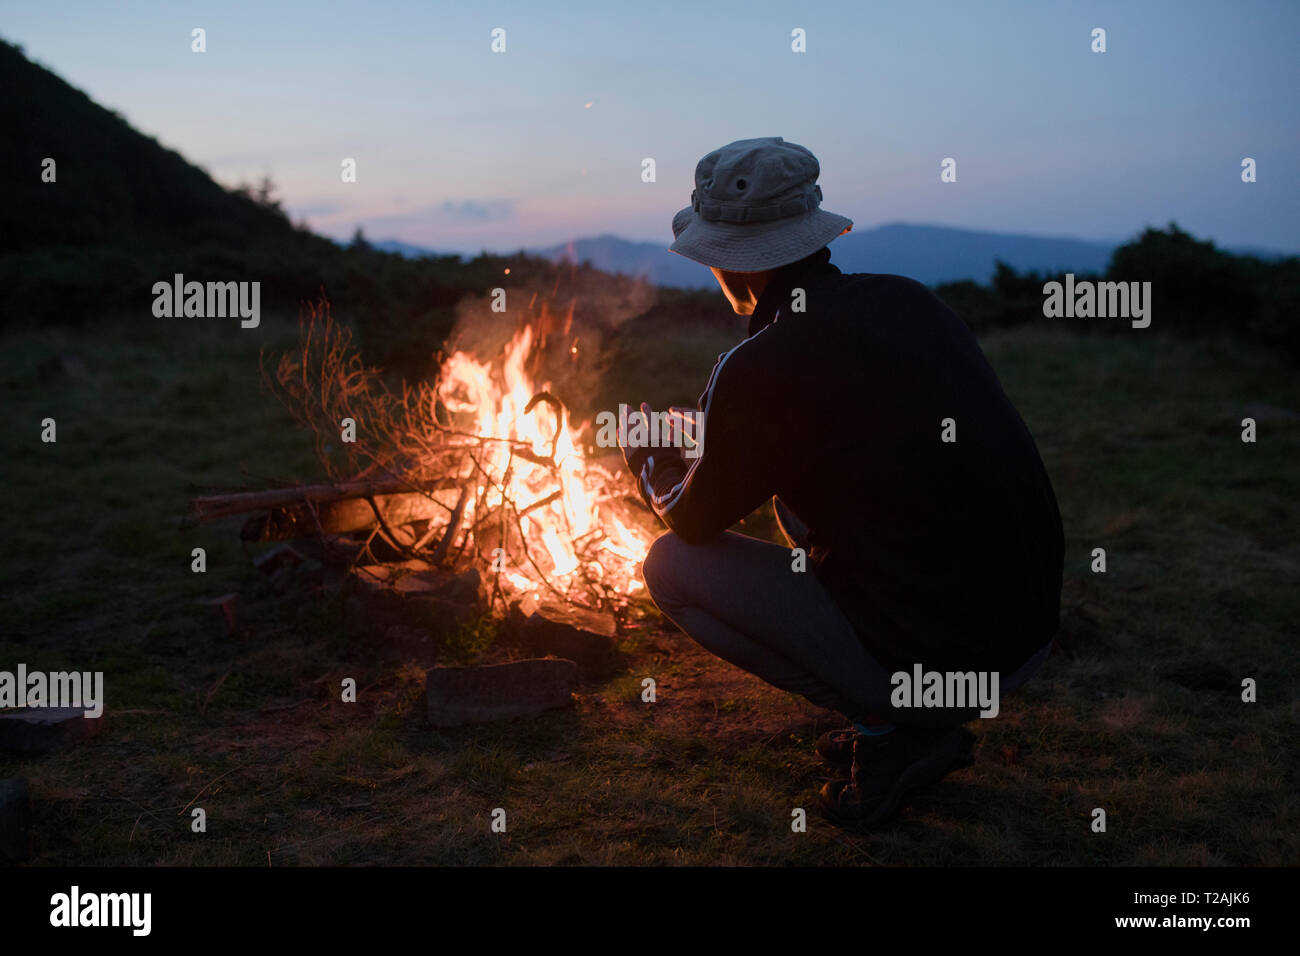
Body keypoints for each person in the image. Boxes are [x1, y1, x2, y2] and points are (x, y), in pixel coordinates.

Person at [620, 137, 1064, 828]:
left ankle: (891, 728)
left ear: (729, 262)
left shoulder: (760, 362)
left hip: (950, 659)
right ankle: (904, 704)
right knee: (804, 504)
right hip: (1025, 636)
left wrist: (648, 456)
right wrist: (714, 429)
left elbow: (691, 518)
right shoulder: (909, 303)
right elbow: (837, 416)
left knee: (671, 566)